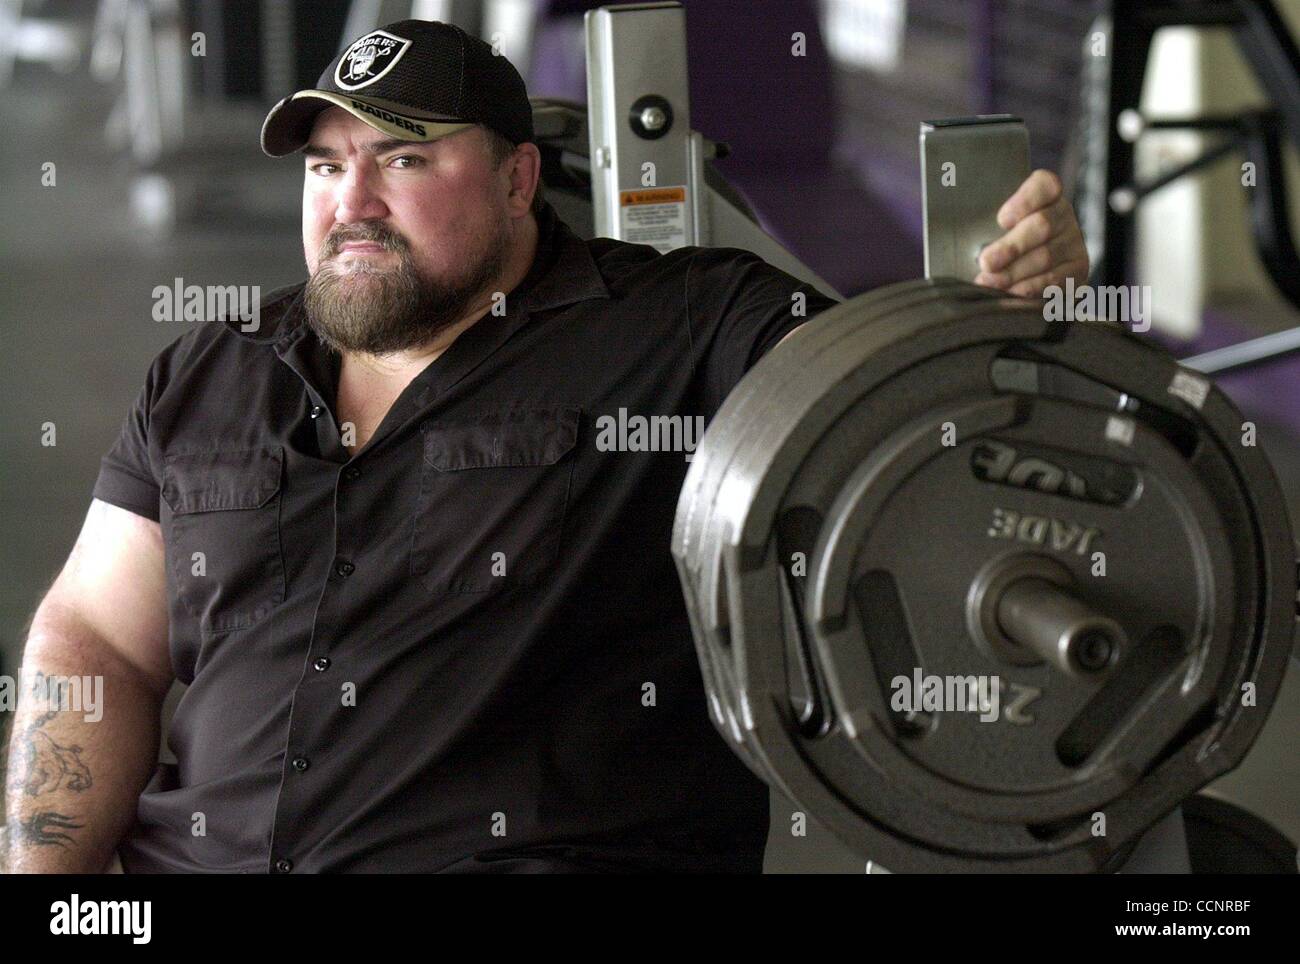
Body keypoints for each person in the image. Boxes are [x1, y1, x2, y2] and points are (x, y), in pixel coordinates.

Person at [3, 19, 1088, 873]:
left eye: (404, 160)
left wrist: (1014, 307)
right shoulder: (211, 370)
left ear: (519, 180)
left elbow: (909, 409)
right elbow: (96, 633)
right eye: (326, 168)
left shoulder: (686, 330)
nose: (352, 205)